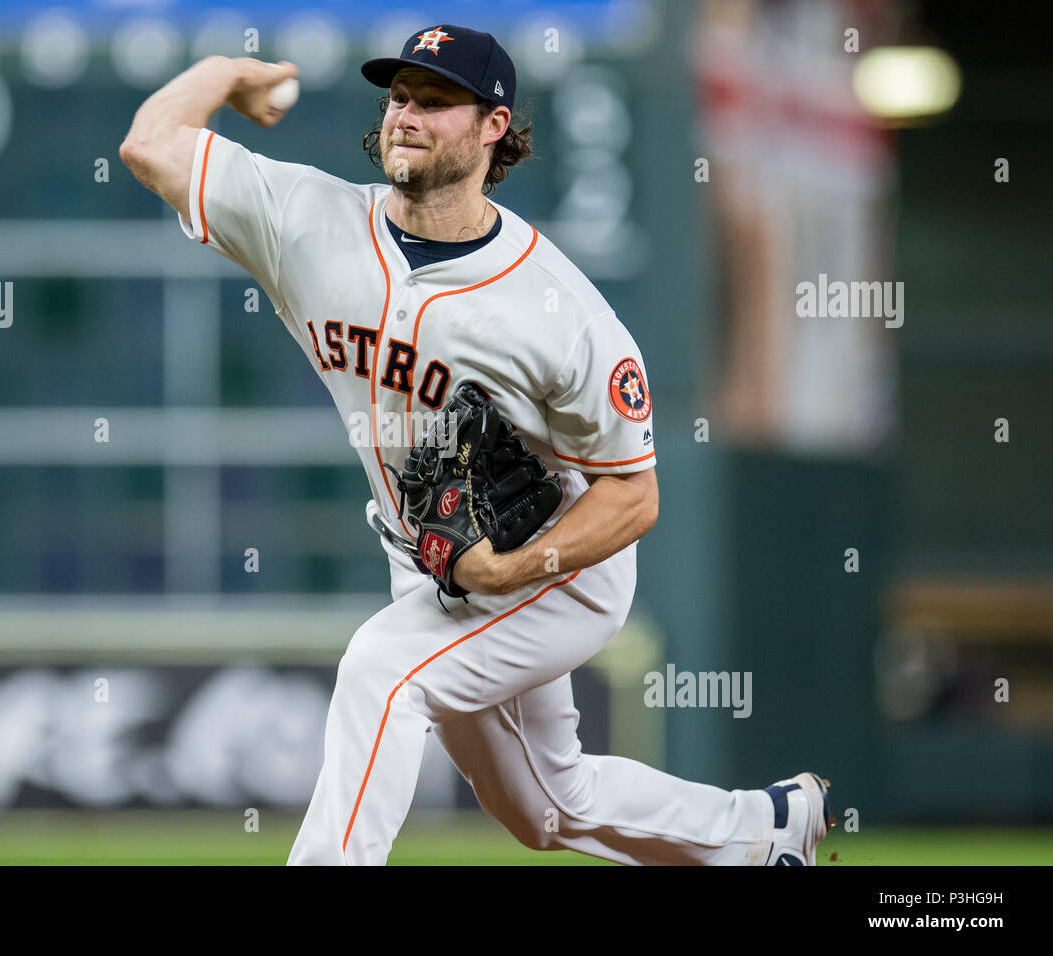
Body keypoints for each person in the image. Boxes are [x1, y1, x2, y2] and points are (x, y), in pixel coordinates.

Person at [119, 23, 830, 866]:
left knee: (382, 673)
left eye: (436, 101)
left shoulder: (560, 311)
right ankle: (763, 832)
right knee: (545, 811)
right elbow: (149, 143)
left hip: (557, 566)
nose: (406, 116)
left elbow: (634, 495)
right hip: (430, 555)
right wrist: (225, 72)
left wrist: (512, 570)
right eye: (399, 97)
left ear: (495, 126)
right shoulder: (305, 221)